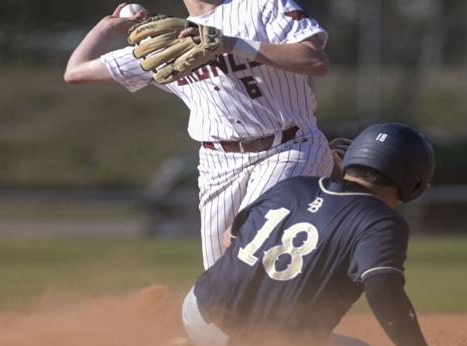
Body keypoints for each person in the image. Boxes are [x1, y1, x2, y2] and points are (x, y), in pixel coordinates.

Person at [181, 123, 467, 346]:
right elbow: (382, 288)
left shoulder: (292, 186)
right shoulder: (381, 221)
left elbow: (229, 239)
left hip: (196, 314)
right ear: (414, 183)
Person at [64, 1, 338, 269]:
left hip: (290, 146)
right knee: (218, 274)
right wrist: (107, 26)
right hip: (218, 162)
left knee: (244, 237)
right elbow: (75, 72)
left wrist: (229, 43)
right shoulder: (164, 40)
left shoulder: (263, 7)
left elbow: (314, 60)